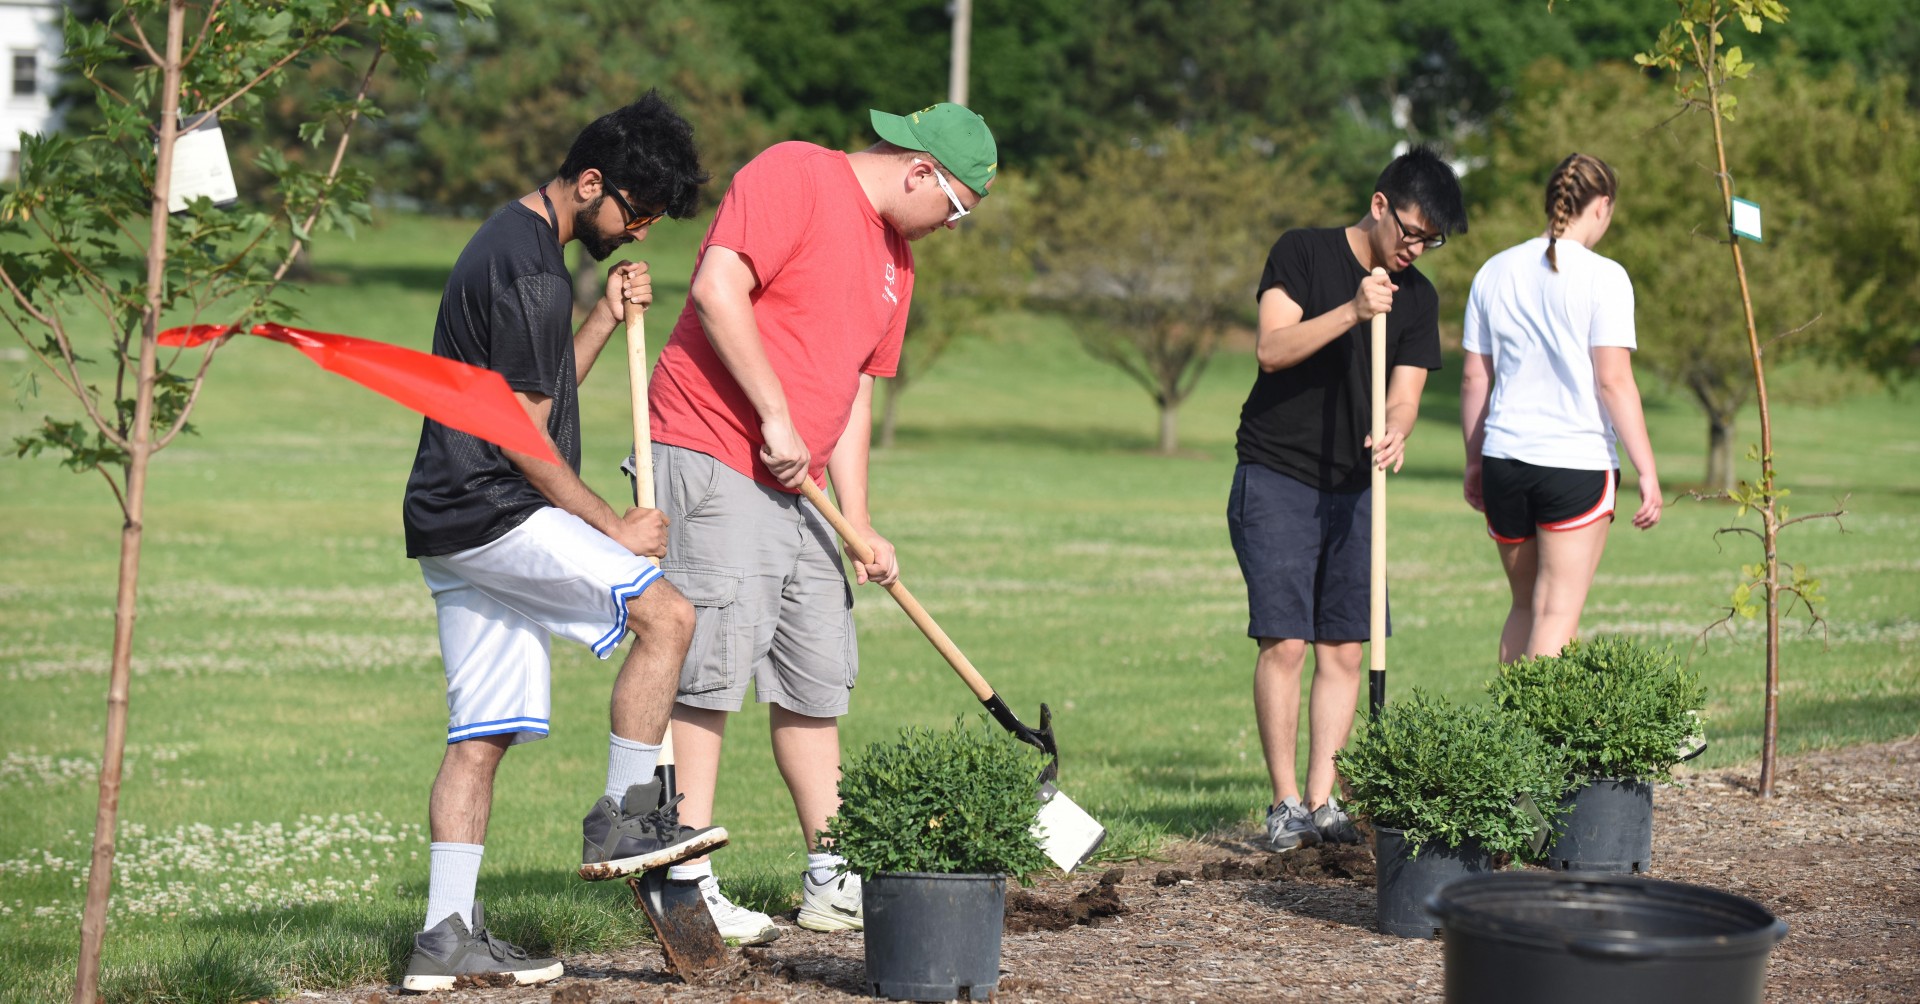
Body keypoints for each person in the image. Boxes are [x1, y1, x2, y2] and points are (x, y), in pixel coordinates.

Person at [633, 102, 997, 943]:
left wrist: (860, 521)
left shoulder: (897, 262)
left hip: (807, 489)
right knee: (710, 669)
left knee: (815, 676)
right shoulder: (794, 171)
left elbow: (859, 385)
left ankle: (833, 875)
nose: (951, 227)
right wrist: (773, 415)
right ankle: (683, 876)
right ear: (919, 172)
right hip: (716, 449)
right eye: (957, 209)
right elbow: (718, 286)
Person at [397, 93, 725, 992]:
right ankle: (625, 812)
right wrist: (612, 525)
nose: (638, 232)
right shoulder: (532, 272)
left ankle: (444, 937)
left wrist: (605, 318)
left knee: (480, 738)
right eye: (637, 214)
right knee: (667, 615)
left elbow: (535, 399)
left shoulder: (520, 246)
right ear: (591, 184)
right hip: (492, 509)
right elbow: (525, 444)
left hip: (450, 519)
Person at [1229, 146, 1467, 853]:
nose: (1416, 250)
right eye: (1412, 233)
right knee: (1288, 641)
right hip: (1277, 473)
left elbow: (1407, 394)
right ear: (1378, 205)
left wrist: (1396, 430)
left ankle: (1322, 800)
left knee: (1343, 645)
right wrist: (1352, 311)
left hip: (1356, 489)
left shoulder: (1418, 297)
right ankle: (1282, 806)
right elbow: (1272, 348)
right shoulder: (1301, 253)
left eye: (1431, 242)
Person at [1460, 152, 1661, 665]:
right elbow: (1614, 381)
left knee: (1524, 607)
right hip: (1575, 463)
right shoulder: (1606, 277)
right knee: (1557, 616)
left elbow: (1474, 377)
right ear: (1603, 206)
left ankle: (1510, 741)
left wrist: (1476, 461)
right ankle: (1537, 747)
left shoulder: (1493, 271)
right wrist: (1648, 471)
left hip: (1506, 459)